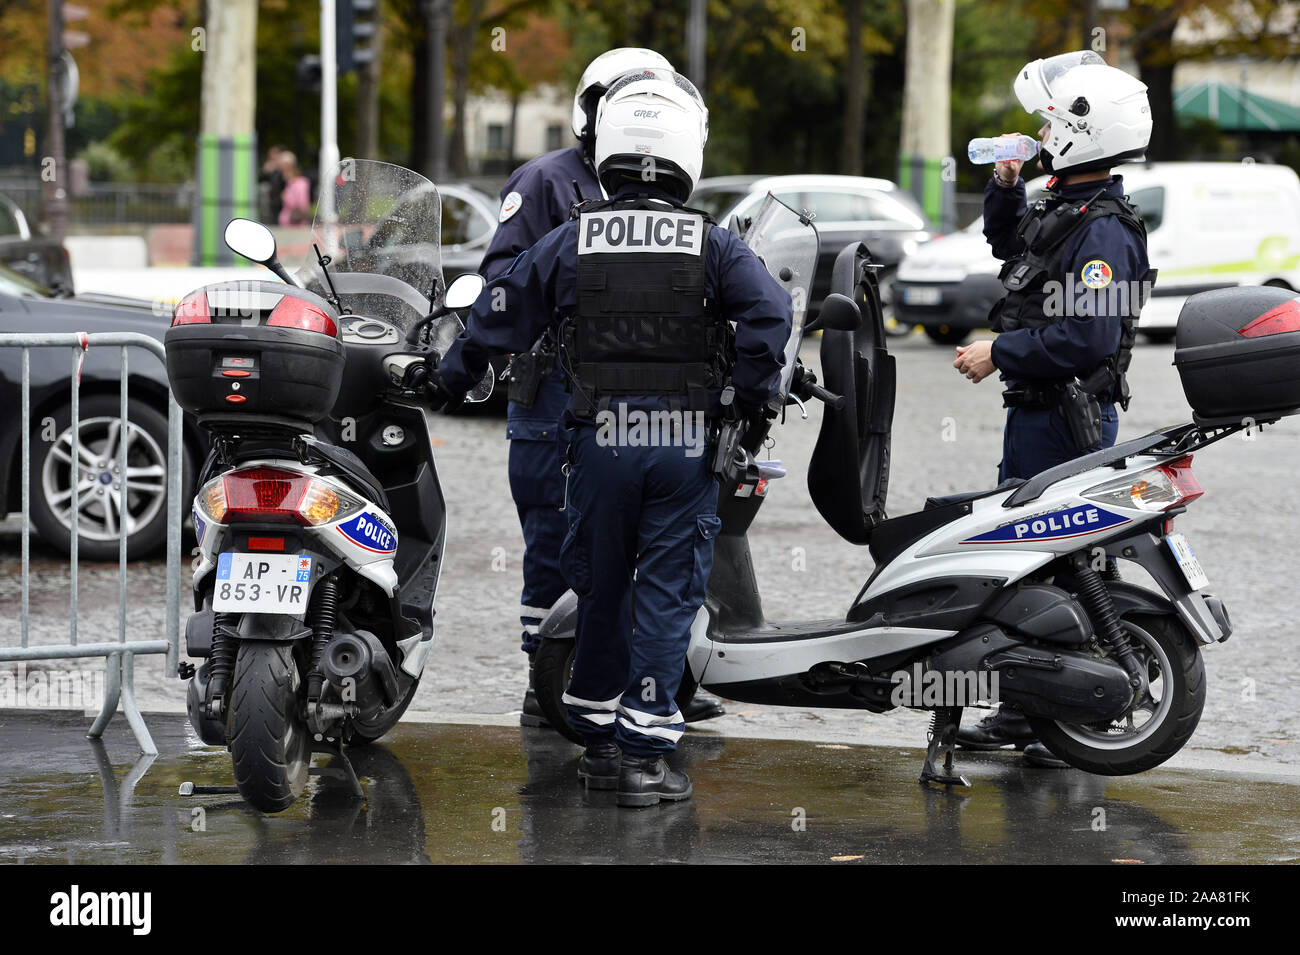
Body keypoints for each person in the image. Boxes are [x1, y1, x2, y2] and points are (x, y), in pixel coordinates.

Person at [431, 69, 792, 806]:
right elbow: (772, 316)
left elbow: (497, 313)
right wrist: (749, 401)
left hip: (599, 441)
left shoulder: (570, 239)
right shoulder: (713, 244)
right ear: (687, 149)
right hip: (682, 442)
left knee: (597, 587)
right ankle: (643, 756)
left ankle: (594, 737)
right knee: (664, 593)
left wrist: (445, 378)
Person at [479, 47, 727, 729]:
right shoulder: (544, 182)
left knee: (647, 549)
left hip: (630, 401)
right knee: (557, 544)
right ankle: (547, 680)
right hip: (555, 398)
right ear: (594, 114)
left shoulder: (658, 187)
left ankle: (660, 679)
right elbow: (503, 283)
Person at [951, 51, 1155, 766]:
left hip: (1066, 419)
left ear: (1084, 131)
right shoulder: (1070, 204)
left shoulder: (1102, 227)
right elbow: (1011, 244)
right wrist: (1006, 183)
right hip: (1039, 413)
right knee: (1033, 561)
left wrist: (998, 351)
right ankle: (1032, 709)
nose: (1040, 129)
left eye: (1050, 119)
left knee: (1063, 562)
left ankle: (1064, 711)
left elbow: (1085, 336)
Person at [277, 151, 312, 226]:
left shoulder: (300, 183)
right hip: (289, 223)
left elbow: (302, 204)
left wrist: (285, 197)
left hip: (295, 224)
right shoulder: (290, 183)